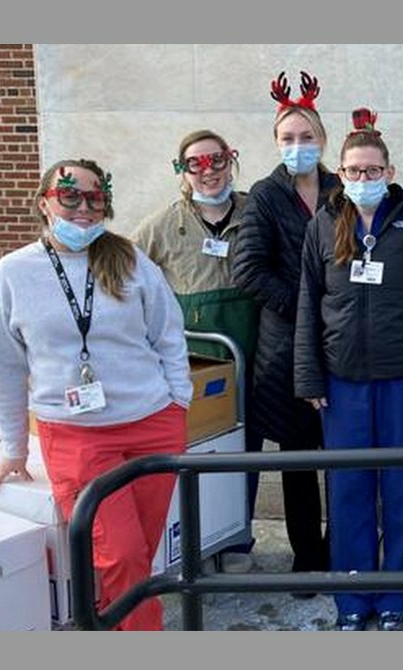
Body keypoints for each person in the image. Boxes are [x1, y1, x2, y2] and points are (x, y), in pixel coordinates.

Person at [0, 159, 192, 631]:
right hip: (78, 437)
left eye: (94, 198)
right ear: (44, 202)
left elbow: (168, 334)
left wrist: (179, 400)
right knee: (119, 555)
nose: (83, 207)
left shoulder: (132, 260)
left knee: (138, 554)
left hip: (154, 423)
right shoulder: (11, 274)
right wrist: (15, 447)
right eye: (69, 196)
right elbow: (5, 366)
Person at [295, 108, 403, 631]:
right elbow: (307, 305)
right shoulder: (324, 224)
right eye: (353, 171)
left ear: (388, 172)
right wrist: (311, 378)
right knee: (348, 492)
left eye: (372, 170)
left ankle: (398, 598)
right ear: (339, 174)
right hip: (343, 385)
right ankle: (352, 596)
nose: (362, 179)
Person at [130, 130, 262, 574]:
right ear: (182, 171)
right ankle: (198, 543)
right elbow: (126, 272)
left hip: (253, 354)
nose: (208, 172)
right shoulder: (164, 226)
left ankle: (238, 538)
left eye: (217, 161)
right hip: (196, 365)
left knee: (247, 448)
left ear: (231, 161)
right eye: (196, 164)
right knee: (200, 453)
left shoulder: (255, 213)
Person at [231, 71, 334, 586]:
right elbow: (248, 269)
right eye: (289, 139)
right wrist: (305, 308)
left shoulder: (343, 190)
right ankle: (307, 557)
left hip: (341, 346)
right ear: (276, 143)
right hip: (287, 349)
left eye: (307, 137)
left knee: (342, 454)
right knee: (296, 459)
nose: (299, 146)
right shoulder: (265, 198)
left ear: (323, 139)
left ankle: (342, 548)